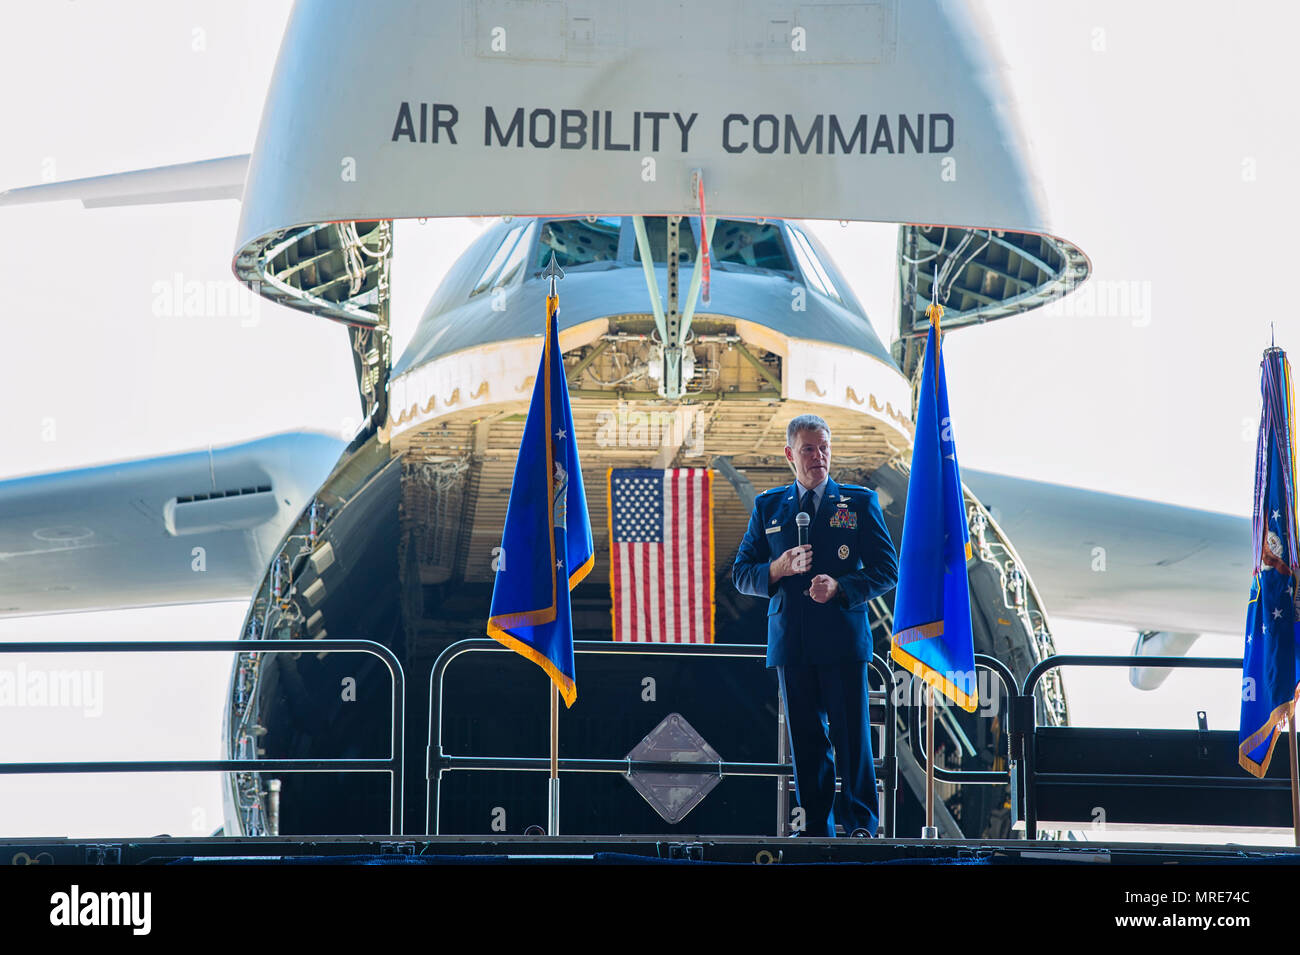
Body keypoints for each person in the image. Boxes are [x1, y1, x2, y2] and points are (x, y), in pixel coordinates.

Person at [732, 414, 899, 837]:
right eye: (809, 449)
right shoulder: (769, 506)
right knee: (807, 742)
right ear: (791, 454)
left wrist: (841, 586)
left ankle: (861, 826)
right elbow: (742, 573)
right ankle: (814, 831)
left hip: (842, 641)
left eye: (824, 447)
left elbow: (887, 570)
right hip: (792, 643)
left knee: (852, 738)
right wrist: (778, 567)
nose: (819, 456)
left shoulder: (858, 503)